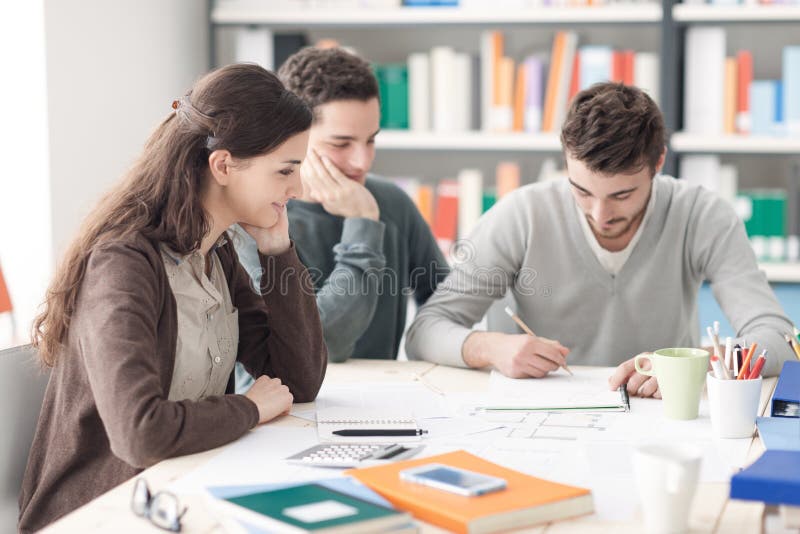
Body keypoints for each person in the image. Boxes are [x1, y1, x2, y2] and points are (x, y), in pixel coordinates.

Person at [19, 64, 327, 533]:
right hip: (103, 514)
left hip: (181, 493)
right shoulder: (123, 263)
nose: (297, 189)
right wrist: (249, 408)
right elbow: (140, 434)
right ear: (223, 166)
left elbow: (297, 382)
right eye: (285, 170)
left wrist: (278, 252)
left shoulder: (214, 252)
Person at [406, 82, 795, 397]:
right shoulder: (521, 215)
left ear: (658, 163)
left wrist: (695, 362)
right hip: (538, 416)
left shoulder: (702, 215)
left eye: (621, 195)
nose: (599, 214)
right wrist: (489, 348)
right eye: (582, 191)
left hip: (658, 415)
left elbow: (780, 340)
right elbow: (425, 331)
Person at [234, 47, 448, 384]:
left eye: (371, 140)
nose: (362, 161)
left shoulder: (392, 202)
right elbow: (320, 347)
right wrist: (363, 225)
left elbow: (443, 305)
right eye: (341, 144)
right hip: (291, 407)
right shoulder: (255, 219)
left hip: (386, 400)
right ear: (291, 137)